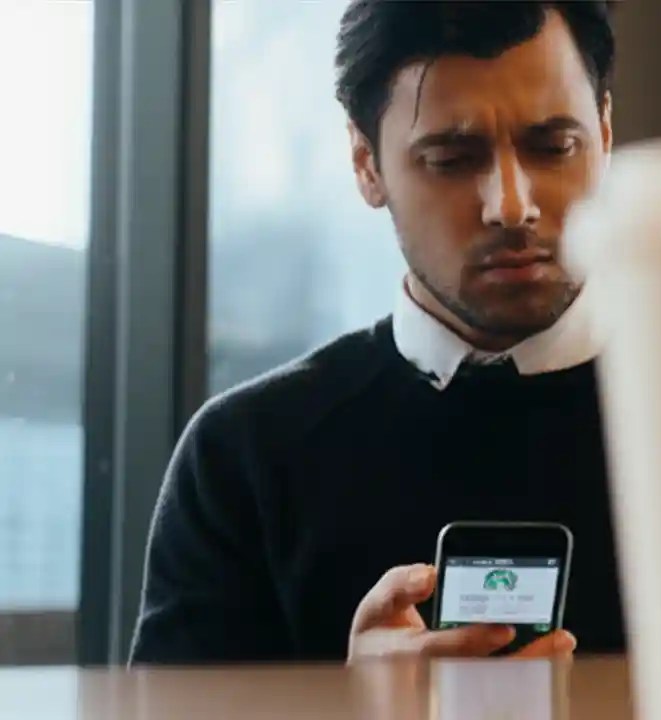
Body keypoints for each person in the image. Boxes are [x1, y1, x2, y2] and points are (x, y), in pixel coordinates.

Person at [130, 0, 623, 664]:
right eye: (452, 157)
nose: (511, 204)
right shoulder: (245, 457)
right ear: (366, 163)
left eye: (554, 146)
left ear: (606, 136)